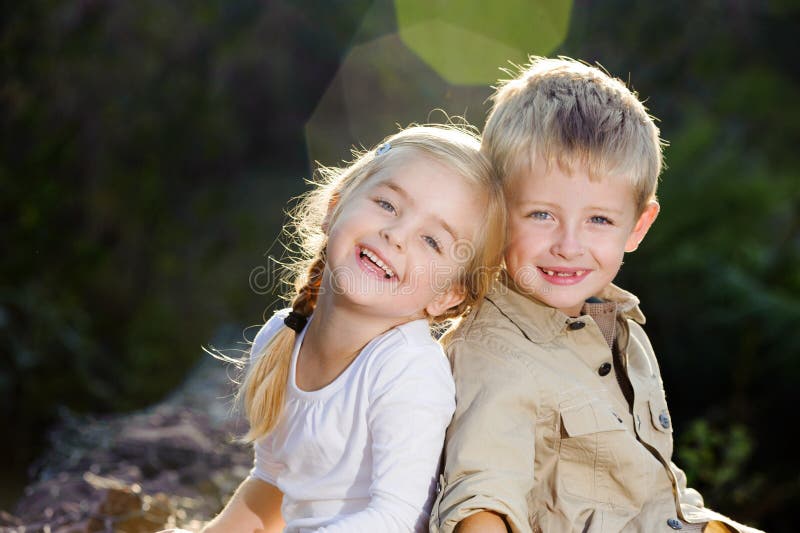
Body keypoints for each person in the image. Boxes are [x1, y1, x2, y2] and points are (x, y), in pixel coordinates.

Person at [429, 57, 764, 533]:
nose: (568, 245)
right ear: (494, 209)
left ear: (638, 226)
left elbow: (654, 496)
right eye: (541, 214)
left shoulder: (620, 328)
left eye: (599, 220)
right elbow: (480, 501)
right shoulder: (493, 353)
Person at [201, 124, 506, 533]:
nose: (395, 235)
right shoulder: (281, 336)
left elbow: (397, 518)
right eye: (387, 204)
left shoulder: (407, 372)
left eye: (432, 241)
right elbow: (274, 481)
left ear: (448, 295)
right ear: (335, 206)